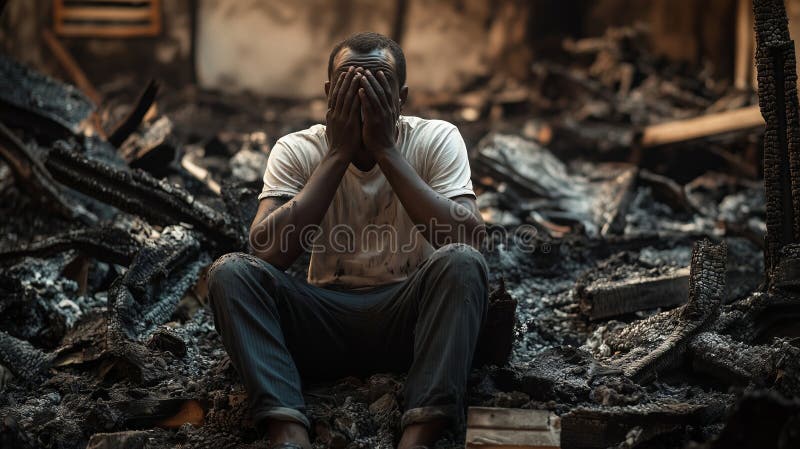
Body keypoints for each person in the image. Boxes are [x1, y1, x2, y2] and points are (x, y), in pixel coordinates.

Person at [207, 32, 488, 449]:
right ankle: (287, 428)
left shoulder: (435, 139)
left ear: (402, 96)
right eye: (348, 84)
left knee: (462, 263)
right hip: (324, 319)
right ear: (327, 93)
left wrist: (386, 151)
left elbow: (469, 238)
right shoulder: (297, 148)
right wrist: (337, 153)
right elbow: (265, 252)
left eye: (377, 86)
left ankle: (420, 432)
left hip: (409, 321)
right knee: (230, 273)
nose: (362, 96)